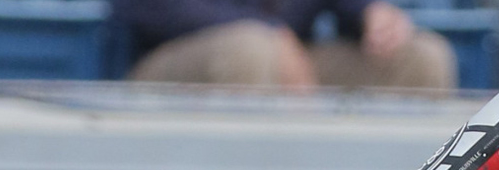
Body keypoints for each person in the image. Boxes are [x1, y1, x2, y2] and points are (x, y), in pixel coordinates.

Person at [124, 0, 455, 92]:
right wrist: (271, 33)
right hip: (168, 69)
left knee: (422, 56)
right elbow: (146, 11)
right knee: (250, 50)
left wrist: (371, 12)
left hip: (292, 62)